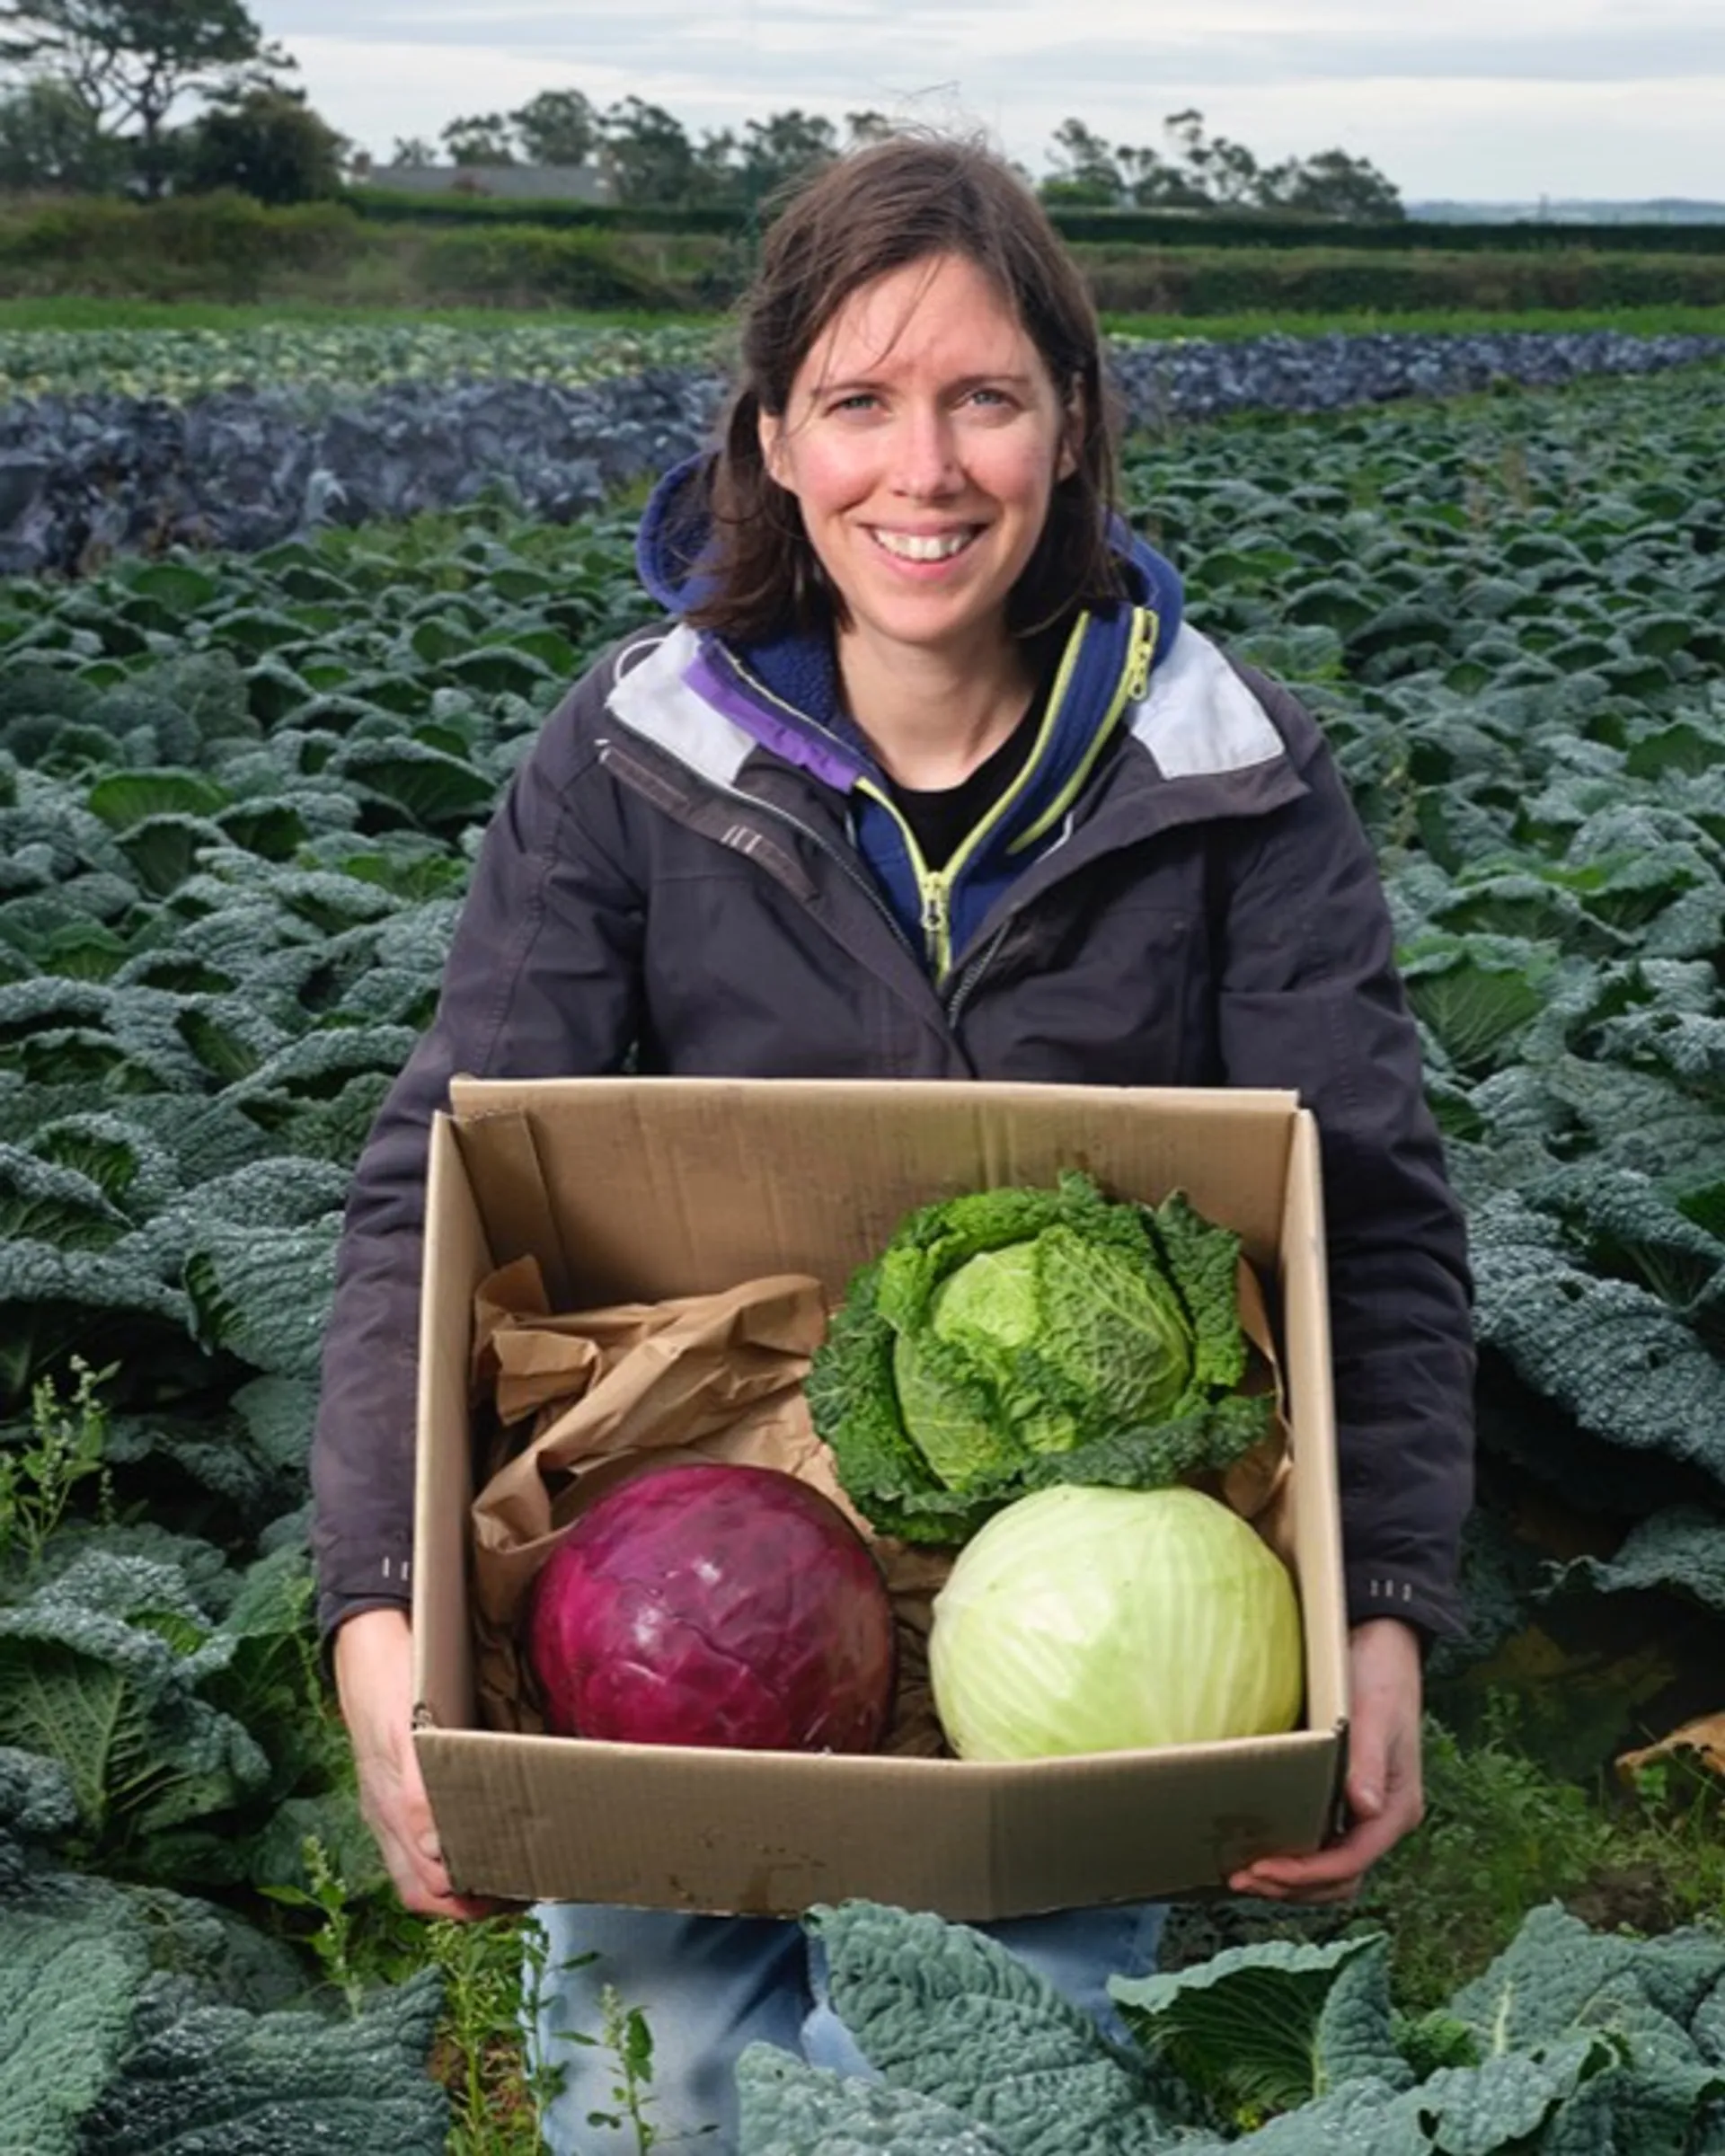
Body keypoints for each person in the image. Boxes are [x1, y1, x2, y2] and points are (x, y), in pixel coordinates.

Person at [311, 134, 1474, 2151]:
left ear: (1073, 424)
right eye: (857, 401)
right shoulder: (622, 766)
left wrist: (1382, 1624)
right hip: (703, 1571)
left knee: (978, 2098)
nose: (920, 473)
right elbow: (438, 1176)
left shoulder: (1236, 780)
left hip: (1089, 1614)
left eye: (984, 399)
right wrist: (378, 1613)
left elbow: (1361, 1222)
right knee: (658, 2096)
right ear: (771, 437)